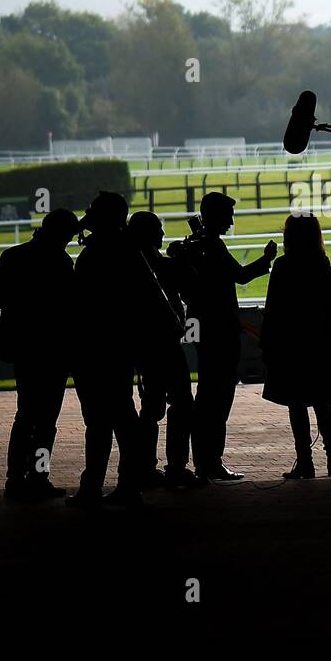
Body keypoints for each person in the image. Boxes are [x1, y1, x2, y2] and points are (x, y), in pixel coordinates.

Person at [167, 191, 275, 483]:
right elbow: (239, 276)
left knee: (208, 396)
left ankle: (203, 461)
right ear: (215, 216)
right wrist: (266, 259)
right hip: (220, 330)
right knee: (217, 398)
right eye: (227, 215)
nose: (231, 221)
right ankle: (210, 461)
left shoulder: (196, 244)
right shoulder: (211, 245)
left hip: (204, 328)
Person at [0, 208, 82, 502]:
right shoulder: (62, 261)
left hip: (24, 348)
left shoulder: (14, 255)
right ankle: (37, 477)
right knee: (45, 421)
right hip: (52, 350)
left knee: (26, 415)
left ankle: (16, 479)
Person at [68, 191, 141, 509]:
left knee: (101, 421)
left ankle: (95, 485)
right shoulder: (127, 248)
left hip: (95, 347)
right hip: (118, 346)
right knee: (121, 417)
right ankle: (125, 483)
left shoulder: (98, 251)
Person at [260, 212, 331, 479]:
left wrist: (268, 342)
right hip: (317, 344)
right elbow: (330, 305)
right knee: (322, 403)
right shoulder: (322, 263)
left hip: (291, 344)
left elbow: (273, 309)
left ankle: (305, 462)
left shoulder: (283, 266)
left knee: (296, 404)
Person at [127, 210, 200, 491]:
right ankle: (175, 466)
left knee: (153, 406)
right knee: (180, 402)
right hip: (162, 343)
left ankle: (148, 466)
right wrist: (185, 260)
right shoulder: (150, 263)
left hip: (147, 344)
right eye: (158, 228)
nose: (162, 233)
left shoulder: (136, 261)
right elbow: (192, 284)